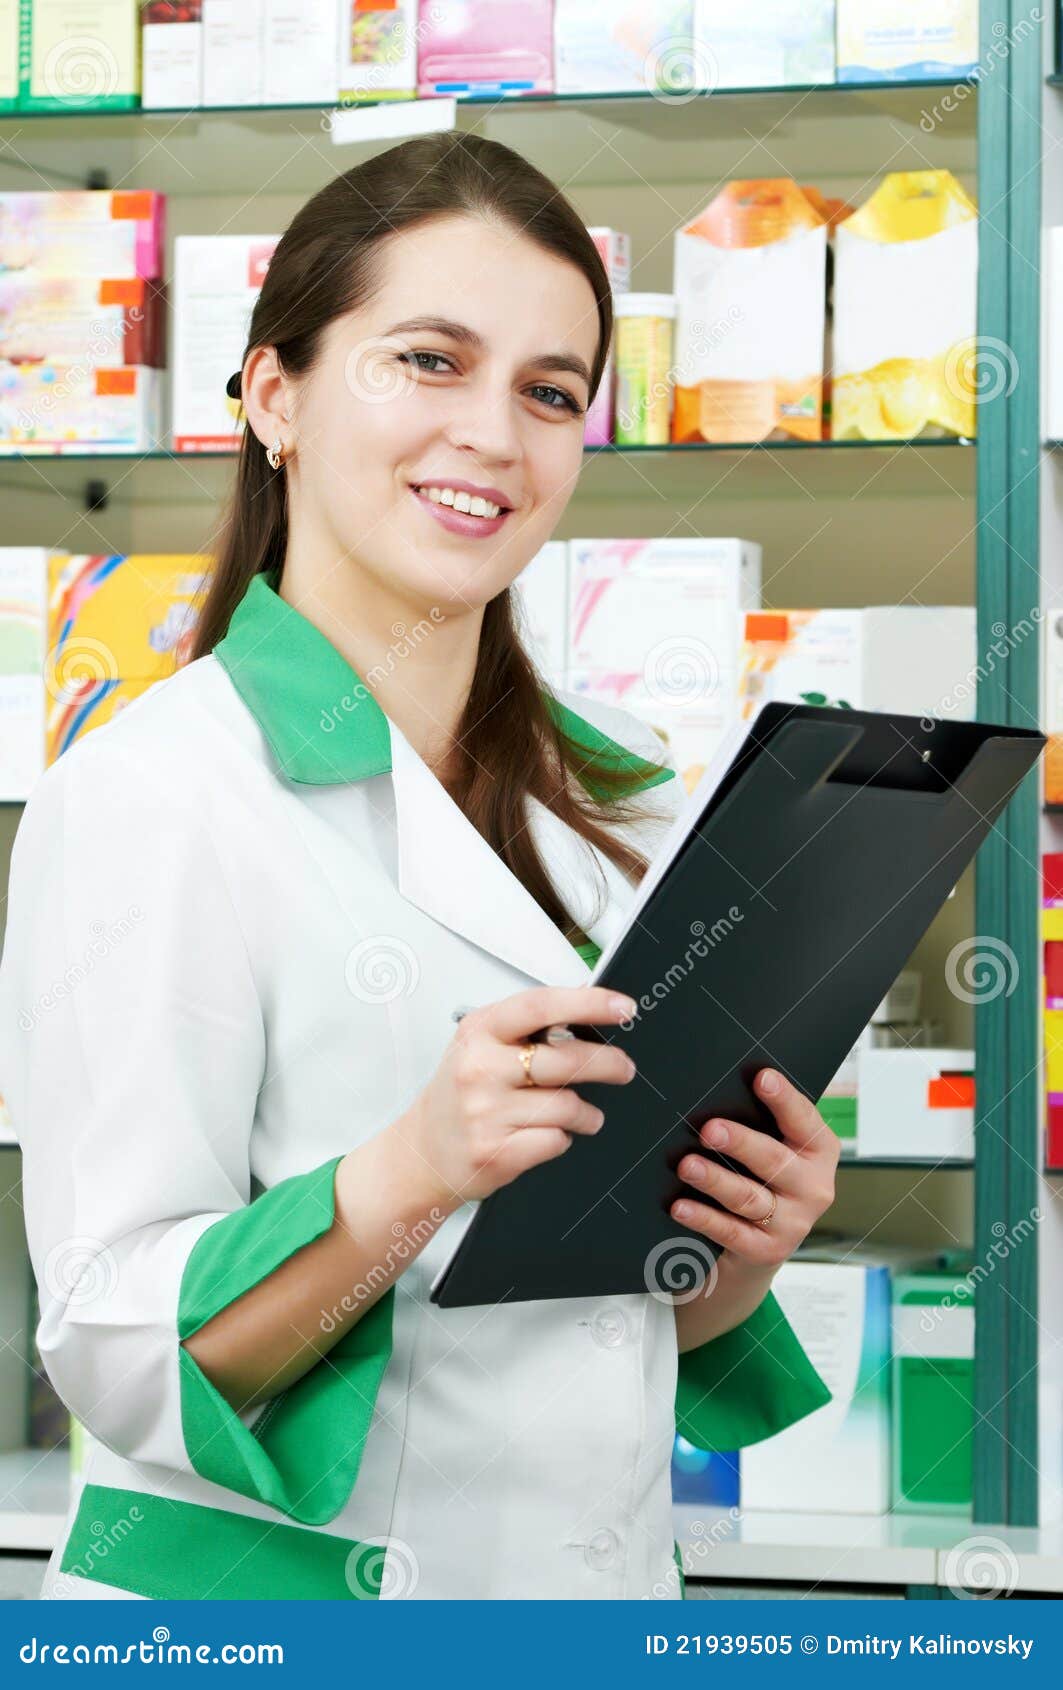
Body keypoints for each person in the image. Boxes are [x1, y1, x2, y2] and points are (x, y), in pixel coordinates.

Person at [0, 132, 837, 1602]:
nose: (495, 438)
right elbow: (113, 1340)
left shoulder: (635, 797)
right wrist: (410, 1171)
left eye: (550, 391)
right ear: (274, 395)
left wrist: (736, 1242)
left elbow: (630, 1332)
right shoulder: (152, 797)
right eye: (428, 360)